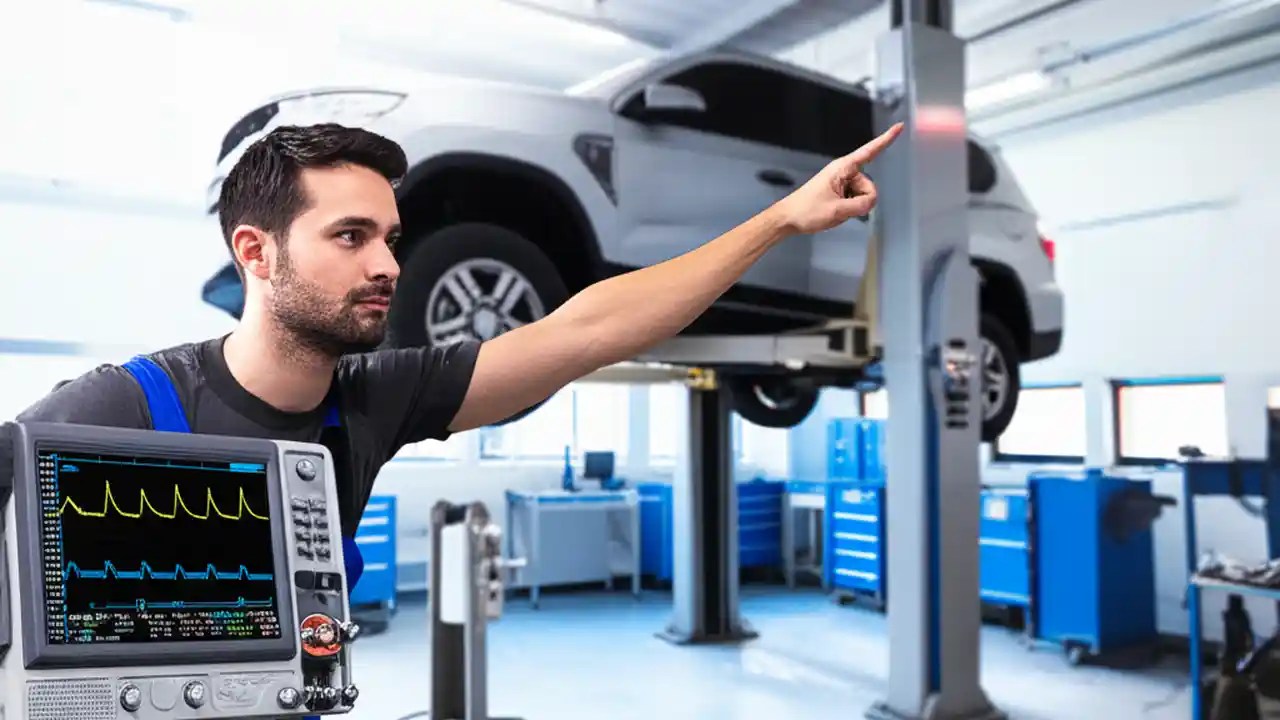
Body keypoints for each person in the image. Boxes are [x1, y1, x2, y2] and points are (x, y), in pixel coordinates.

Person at [16, 120, 903, 540]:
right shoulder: (118, 406)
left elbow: (593, 327)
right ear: (256, 251)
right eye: (350, 237)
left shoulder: (373, 403)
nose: (388, 267)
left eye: (391, 240)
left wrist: (781, 221)